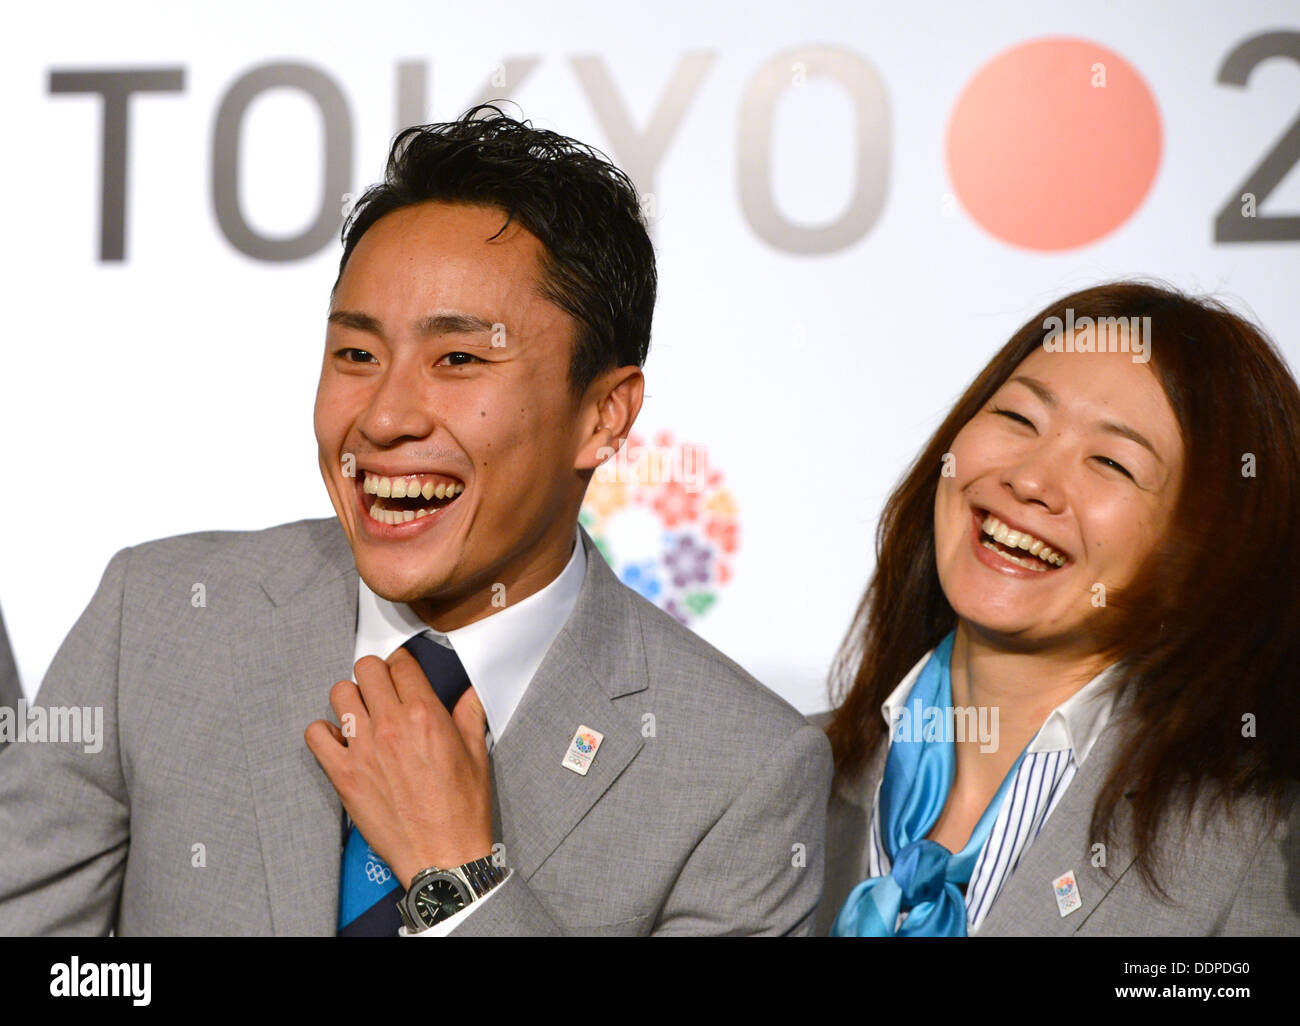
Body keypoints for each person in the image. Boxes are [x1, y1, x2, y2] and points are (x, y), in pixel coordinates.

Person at [0, 106, 831, 936]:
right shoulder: (157, 619)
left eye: (459, 359)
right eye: (356, 355)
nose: (385, 417)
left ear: (604, 416)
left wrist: (460, 884)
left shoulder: (743, 774)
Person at [817, 281, 1300, 936]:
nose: (1030, 479)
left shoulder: (1257, 846)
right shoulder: (774, 775)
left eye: (1112, 462)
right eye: (1019, 419)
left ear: (1207, 553)